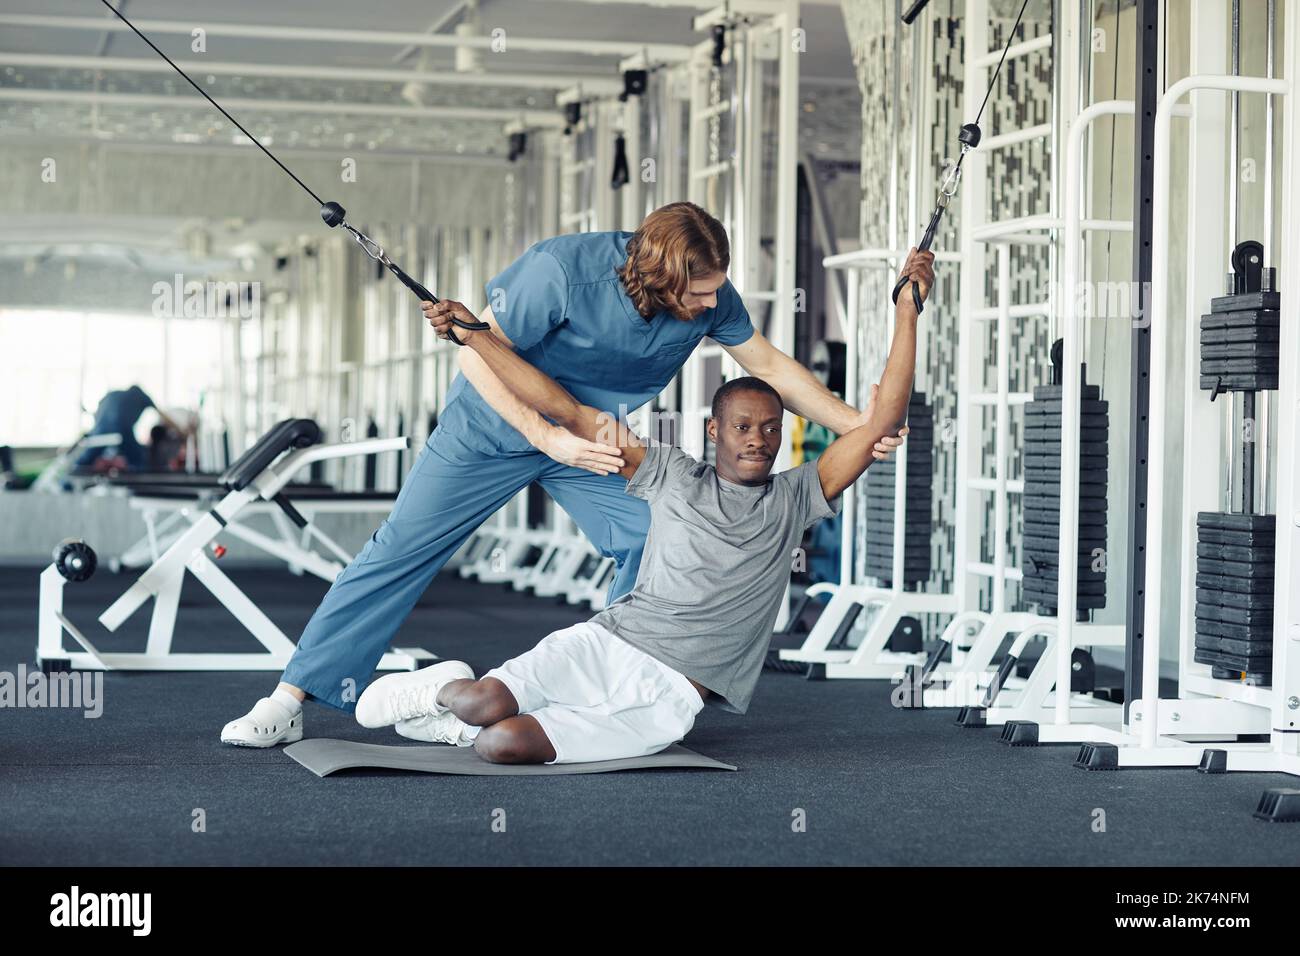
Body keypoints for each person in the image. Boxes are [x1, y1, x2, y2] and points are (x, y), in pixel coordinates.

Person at [222, 202, 905, 747]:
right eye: (697, 294)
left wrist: (859, 426)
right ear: (659, 277)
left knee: (651, 534)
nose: (710, 304)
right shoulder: (559, 270)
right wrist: (545, 435)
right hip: (492, 428)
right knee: (400, 550)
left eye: (714, 290)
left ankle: (611, 681)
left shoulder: (712, 296)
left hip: (594, 438)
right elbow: (475, 358)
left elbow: (772, 367)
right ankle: (291, 697)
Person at [349, 248, 934, 764]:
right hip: (607, 643)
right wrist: (474, 334)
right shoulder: (670, 475)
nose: (757, 439)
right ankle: (442, 691)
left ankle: (460, 730)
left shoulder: (797, 497)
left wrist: (906, 308)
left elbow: (883, 420)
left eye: (770, 429)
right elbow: (570, 410)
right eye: (742, 426)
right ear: (714, 431)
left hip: (670, 694)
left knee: (499, 745)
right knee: (482, 701)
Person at [74, 384, 193, 472]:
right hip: (120, 432)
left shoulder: (111, 396)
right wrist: (181, 431)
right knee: (140, 462)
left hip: (99, 432)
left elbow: (98, 417)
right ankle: (144, 488)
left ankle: (67, 481)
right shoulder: (140, 395)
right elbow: (164, 417)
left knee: (83, 462)